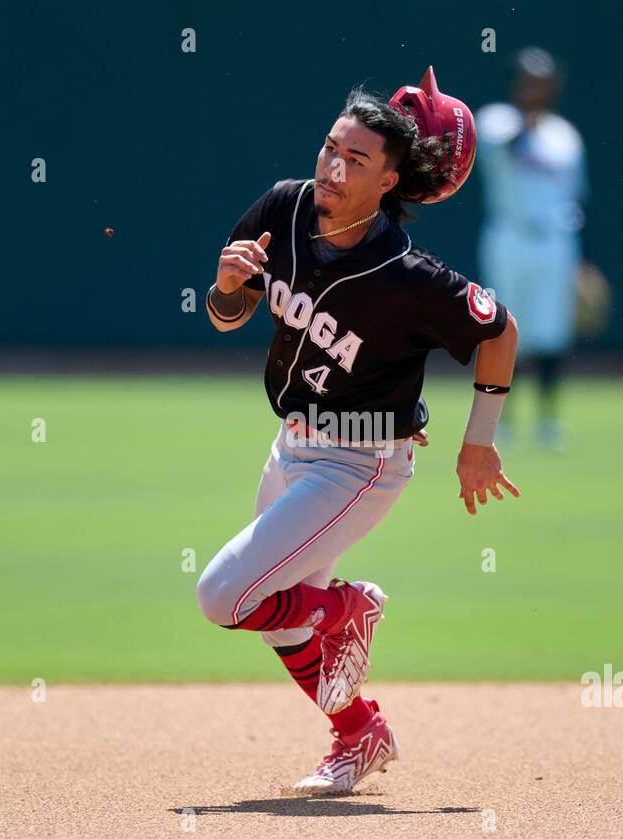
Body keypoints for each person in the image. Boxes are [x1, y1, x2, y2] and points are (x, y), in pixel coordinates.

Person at [197, 68, 520, 795]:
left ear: (390, 183)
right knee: (280, 621)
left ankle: (351, 606)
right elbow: (227, 315)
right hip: (292, 443)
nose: (334, 168)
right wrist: (224, 289)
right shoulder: (284, 207)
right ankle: (359, 735)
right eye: (330, 148)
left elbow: (500, 331)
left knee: (225, 596)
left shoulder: (409, 276)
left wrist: (479, 441)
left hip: (360, 462)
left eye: (357, 160)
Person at [476, 47, 588, 450]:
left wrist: (582, 264)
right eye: (526, 79)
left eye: (540, 81)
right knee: (503, 326)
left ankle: (548, 420)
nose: (533, 88)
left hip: (556, 240)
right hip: (509, 235)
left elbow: (575, 200)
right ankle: (499, 420)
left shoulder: (565, 136)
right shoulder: (496, 121)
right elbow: (508, 149)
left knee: (551, 331)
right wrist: (528, 112)